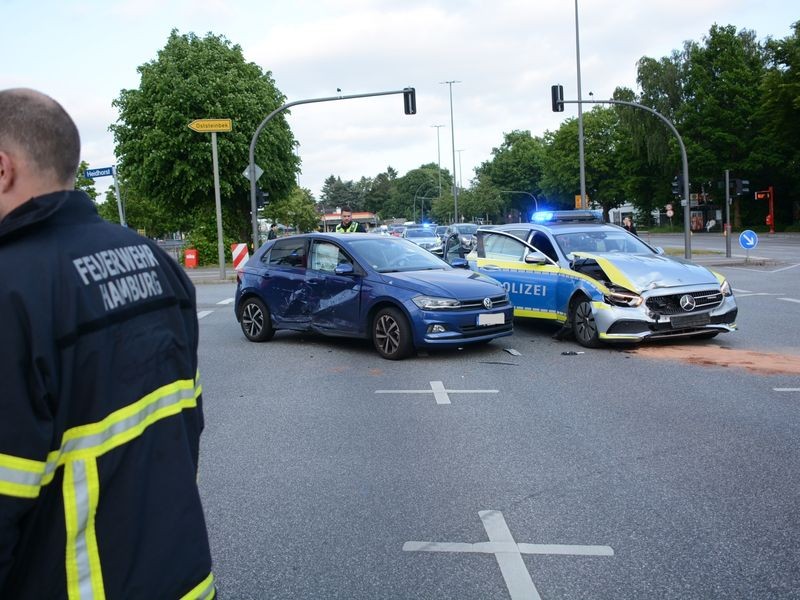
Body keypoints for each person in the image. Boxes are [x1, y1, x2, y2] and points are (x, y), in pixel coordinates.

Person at [0, 89, 214, 598]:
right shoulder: (152, 259)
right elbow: (186, 426)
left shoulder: (12, 289)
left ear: (2, 169)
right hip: (184, 578)